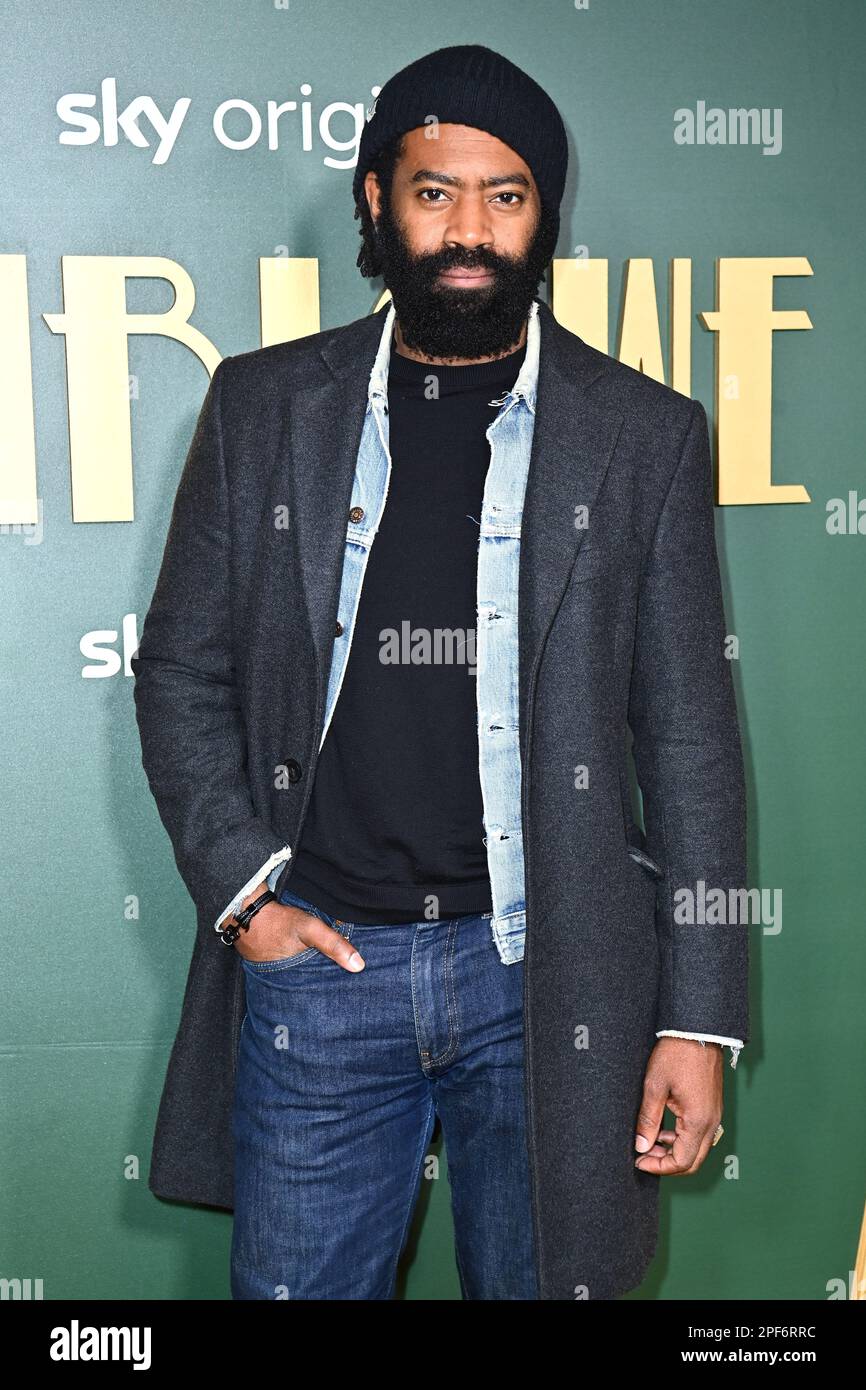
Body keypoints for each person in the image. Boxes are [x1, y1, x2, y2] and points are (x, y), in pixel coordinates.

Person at [131, 44, 749, 1301]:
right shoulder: (261, 410)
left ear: (543, 215)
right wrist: (246, 897)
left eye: (505, 196)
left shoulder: (645, 436)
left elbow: (689, 744)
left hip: (552, 974)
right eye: (434, 191)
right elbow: (181, 670)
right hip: (324, 971)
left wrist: (696, 1019)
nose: (468, 231)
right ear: (375, 199)